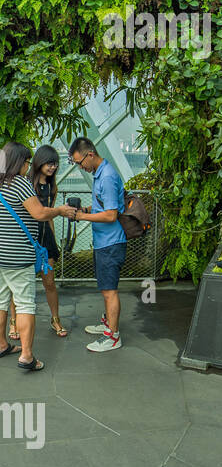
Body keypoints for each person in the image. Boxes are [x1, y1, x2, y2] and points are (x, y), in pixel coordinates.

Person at [0, 143, 63, 373]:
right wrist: (60, 210)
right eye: (27, 162)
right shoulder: (20, 183)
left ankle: (2, 344)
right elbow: (39, 213)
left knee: (0, 301)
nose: (28, 166)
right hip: (18, 256)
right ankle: (27, 356)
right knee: (25, 303)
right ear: (19, 162)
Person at [68, 138, 127, 352]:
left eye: (79, 162)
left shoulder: (107, 176)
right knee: (105, 289)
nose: (80, 166)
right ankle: (108, 325)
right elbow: (103, 206)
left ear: (90, 154)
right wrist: (86, 209)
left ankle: (113, 337)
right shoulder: (100, 173)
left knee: (110, 291)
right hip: (104, 242)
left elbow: (111, 215)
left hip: (110, 243)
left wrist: (82, 217)